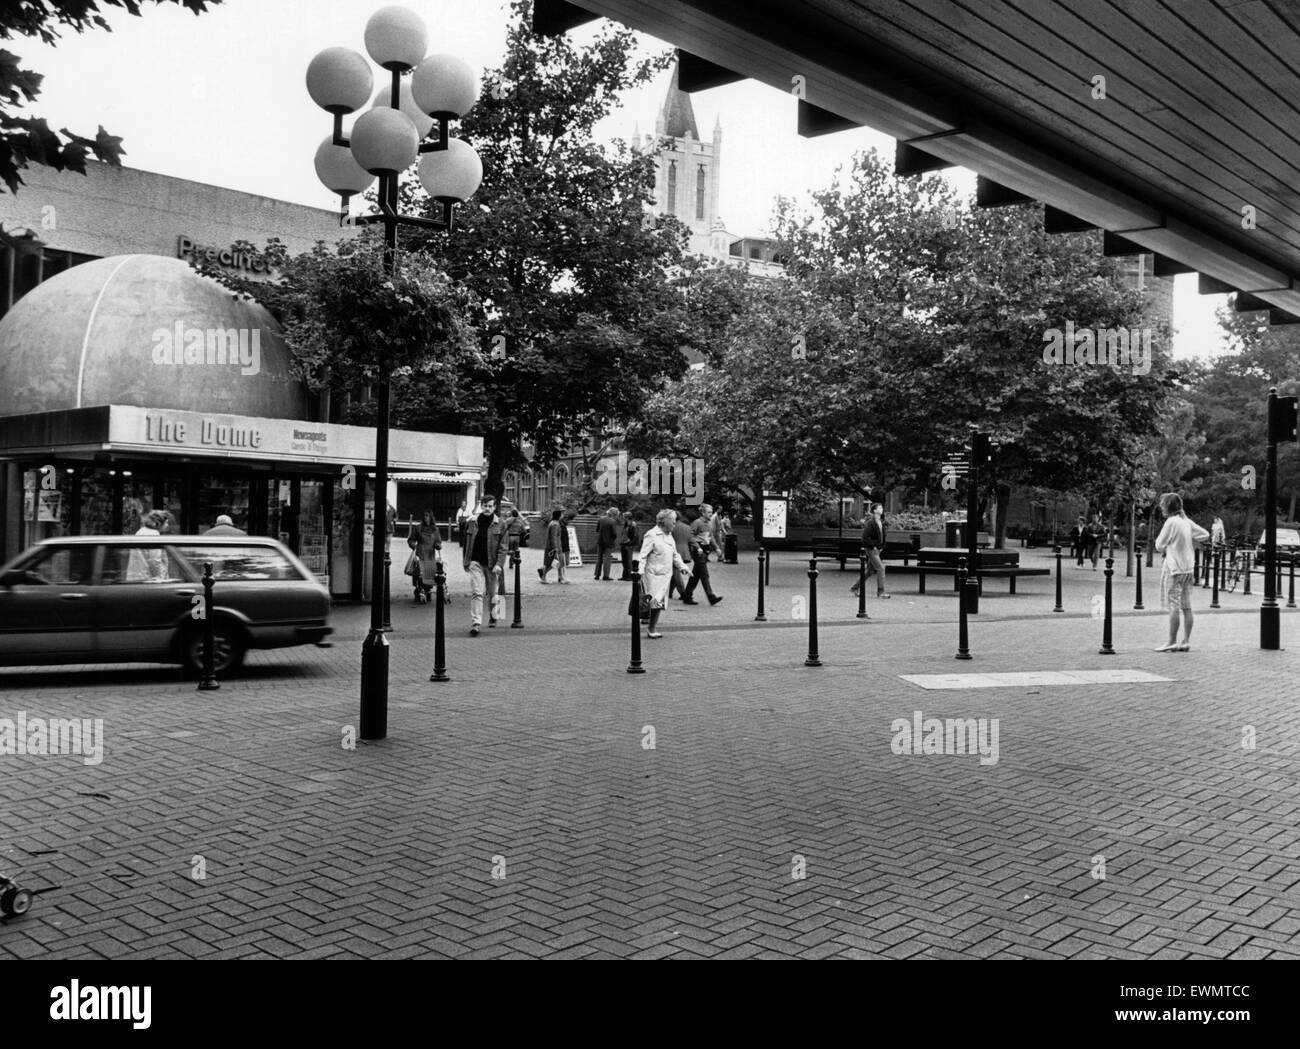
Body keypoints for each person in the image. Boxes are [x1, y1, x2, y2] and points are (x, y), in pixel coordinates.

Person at [1153, 492, 1209, 652]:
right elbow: (1205, 534)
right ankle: (1185, 641)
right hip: (1188, 568)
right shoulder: (1186, 521)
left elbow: (1159, 545)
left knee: (1173, 605)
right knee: (1187, 606)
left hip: (1174, 568)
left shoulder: (1171, 522)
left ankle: (1171, 641)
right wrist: (1188, 540)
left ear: (1167, 507)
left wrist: (1170, 547)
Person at [637, 508, 689, 639]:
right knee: (655, 602)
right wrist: (639, 572)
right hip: (653, 575)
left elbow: (675, 554)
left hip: (665, 576)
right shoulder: (652, 535)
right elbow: (642, 556)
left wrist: (683, 566)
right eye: (673, 520)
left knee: (657, 603)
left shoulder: (669, 536)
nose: (675, 523)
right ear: (664, 521)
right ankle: (651, 627)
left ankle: (650, 624)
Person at [462, 495, 508, 636]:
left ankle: (495, 617)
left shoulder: (501, 524)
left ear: (494, 507)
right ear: (481, 506)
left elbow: (503, 547)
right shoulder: (472, 522)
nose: (487, 508)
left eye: (490, 506)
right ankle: (476, 623)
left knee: (493, 593)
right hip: (475, 562)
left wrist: (499, 564)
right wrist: (466, 561)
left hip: (492, 564)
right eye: (485, 506)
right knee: (477, 592)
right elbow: (466, 543)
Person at [683, 503, 723, 605]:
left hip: (704, 549)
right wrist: (697, 547)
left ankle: (687, 596)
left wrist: (717, 548)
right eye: (709, 512)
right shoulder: (697, 523)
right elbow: (690, 536)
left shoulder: (709, 524)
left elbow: (711, 537)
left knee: (696, 575)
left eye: (711, 512)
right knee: (704, 574)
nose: (711, 514)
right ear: (703, 513)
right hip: (698, 550)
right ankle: (711, 596)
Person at [851, 502, 891, 598]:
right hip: (872, 550)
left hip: (877, 550)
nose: (882, 509)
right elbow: (865, 537)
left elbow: (882, 536)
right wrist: (873, 546)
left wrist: (881, 547)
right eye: (880, 508)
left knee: (869, 571)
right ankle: (881, 592)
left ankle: (854, 588)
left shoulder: (880, 522)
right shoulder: (871, 522)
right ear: (874, 510)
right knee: (881, 568)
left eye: (882, 507)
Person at [408, 510, 442, 604]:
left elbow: (438, 541)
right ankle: (418, 590)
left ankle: (428, 591)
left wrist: (438, 545)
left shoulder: (435, 529)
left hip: (430, 554)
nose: (425, 517)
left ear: (431, 517)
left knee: (429, 573)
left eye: (427, 515)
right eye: (424, 515)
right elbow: (411, 539)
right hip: (420, 553)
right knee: (419, 573)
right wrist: (413, 545)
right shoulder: (418, 528)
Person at [668, 511, 694, 600]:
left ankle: (683, 593)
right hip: (685, 552)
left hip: (675, 552)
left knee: (676, 574)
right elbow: (691, 540)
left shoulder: (672, 527)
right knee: (675, 573)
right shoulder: (687, 527)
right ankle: (670, 592)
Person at [539, 508, 569, 584]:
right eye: (561, 514)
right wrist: (555, 548)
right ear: (559, 516)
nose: (562, 516)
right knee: (551, 563)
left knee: (558, 562)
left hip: (556, 546)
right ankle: (543, 577)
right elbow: (553, 537)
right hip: (555, 547)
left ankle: (561, 577)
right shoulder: (555, 524)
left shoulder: (553, 523)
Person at [595, 506, 621, 581]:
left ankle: (597, 575)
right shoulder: (613, 521)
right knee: (607, 559)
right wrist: (613, 539)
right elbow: (614, 533)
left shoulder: (601, 519)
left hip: (600, 541)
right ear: (614, 514)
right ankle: (606, 576)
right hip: (609, 542)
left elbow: (597, 530)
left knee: (599, 558)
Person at [618, 511, 639, 581]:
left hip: (629, 545)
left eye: (624, 517)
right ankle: (624, 575)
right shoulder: (626, 524)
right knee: (624, 561)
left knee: (629, 561)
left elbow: (635, 536)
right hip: (624, 544)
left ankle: (629, 576)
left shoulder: (633, 525)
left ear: (627, 517)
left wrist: (630, 544)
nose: (623, 518)